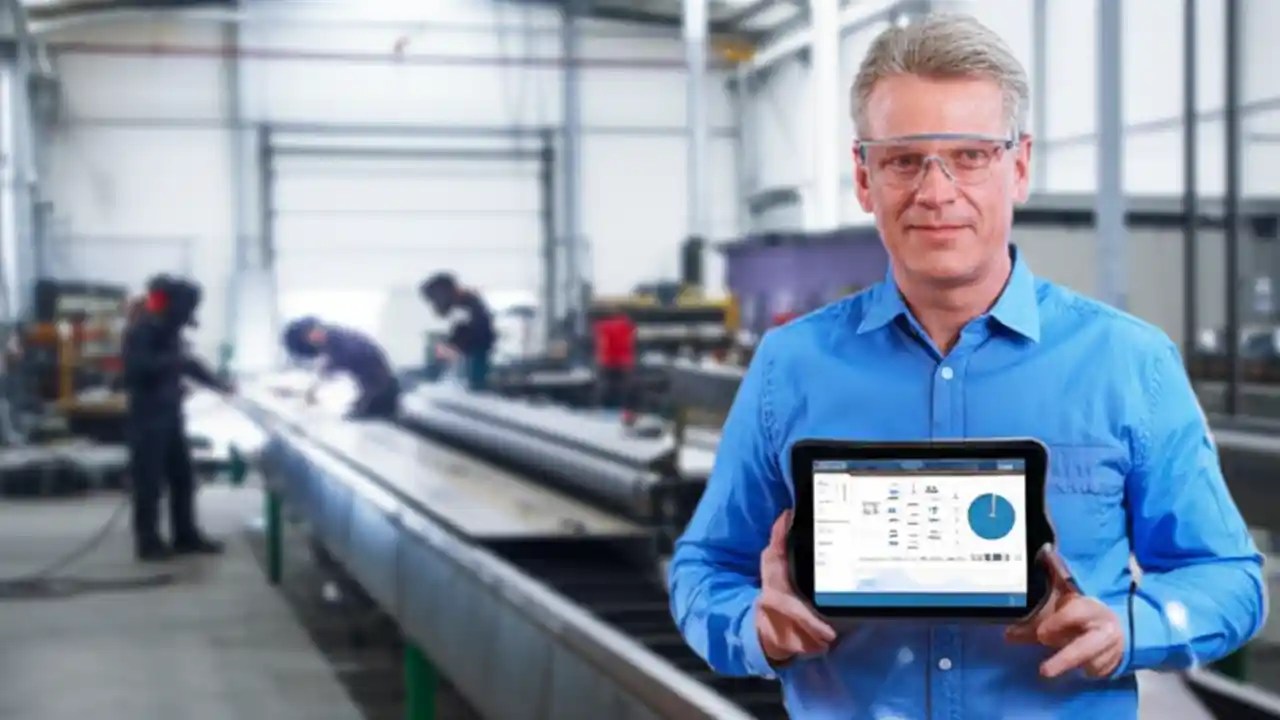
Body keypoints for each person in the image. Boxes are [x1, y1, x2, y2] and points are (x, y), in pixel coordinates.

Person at [668, 13, 1265, 719]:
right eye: (903, 159)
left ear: (1018, 166)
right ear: (865, 177)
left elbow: (1228, 578)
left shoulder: (1129, 365)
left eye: (970, 155)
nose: (936, 190)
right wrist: (749, 627)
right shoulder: (790, 366)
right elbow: (704, 571)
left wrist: (1130, 629)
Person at [122, 275, 233, 561]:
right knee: (149, 483)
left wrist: (219, 384)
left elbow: (189, 363)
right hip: (148, 418)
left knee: (183, 478)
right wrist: (173, 364)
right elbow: (137, 369)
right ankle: (148, 543)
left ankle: (185, 535)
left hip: (170, 416)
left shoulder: (169, 329)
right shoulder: (143, 329)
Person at [282, 316, 400, 420]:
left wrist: (315, 387)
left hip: (381, 393)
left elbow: (336, 365)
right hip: (375, 391)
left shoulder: (339, 341)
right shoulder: (334, 338)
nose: (315, 336)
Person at [420, 272, 496, 392]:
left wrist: (451, 348)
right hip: (469, 357)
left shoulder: (468, 309)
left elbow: (472, 335)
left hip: (473, 359)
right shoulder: (466, 306)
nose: (434, 305)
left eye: (434, 299)